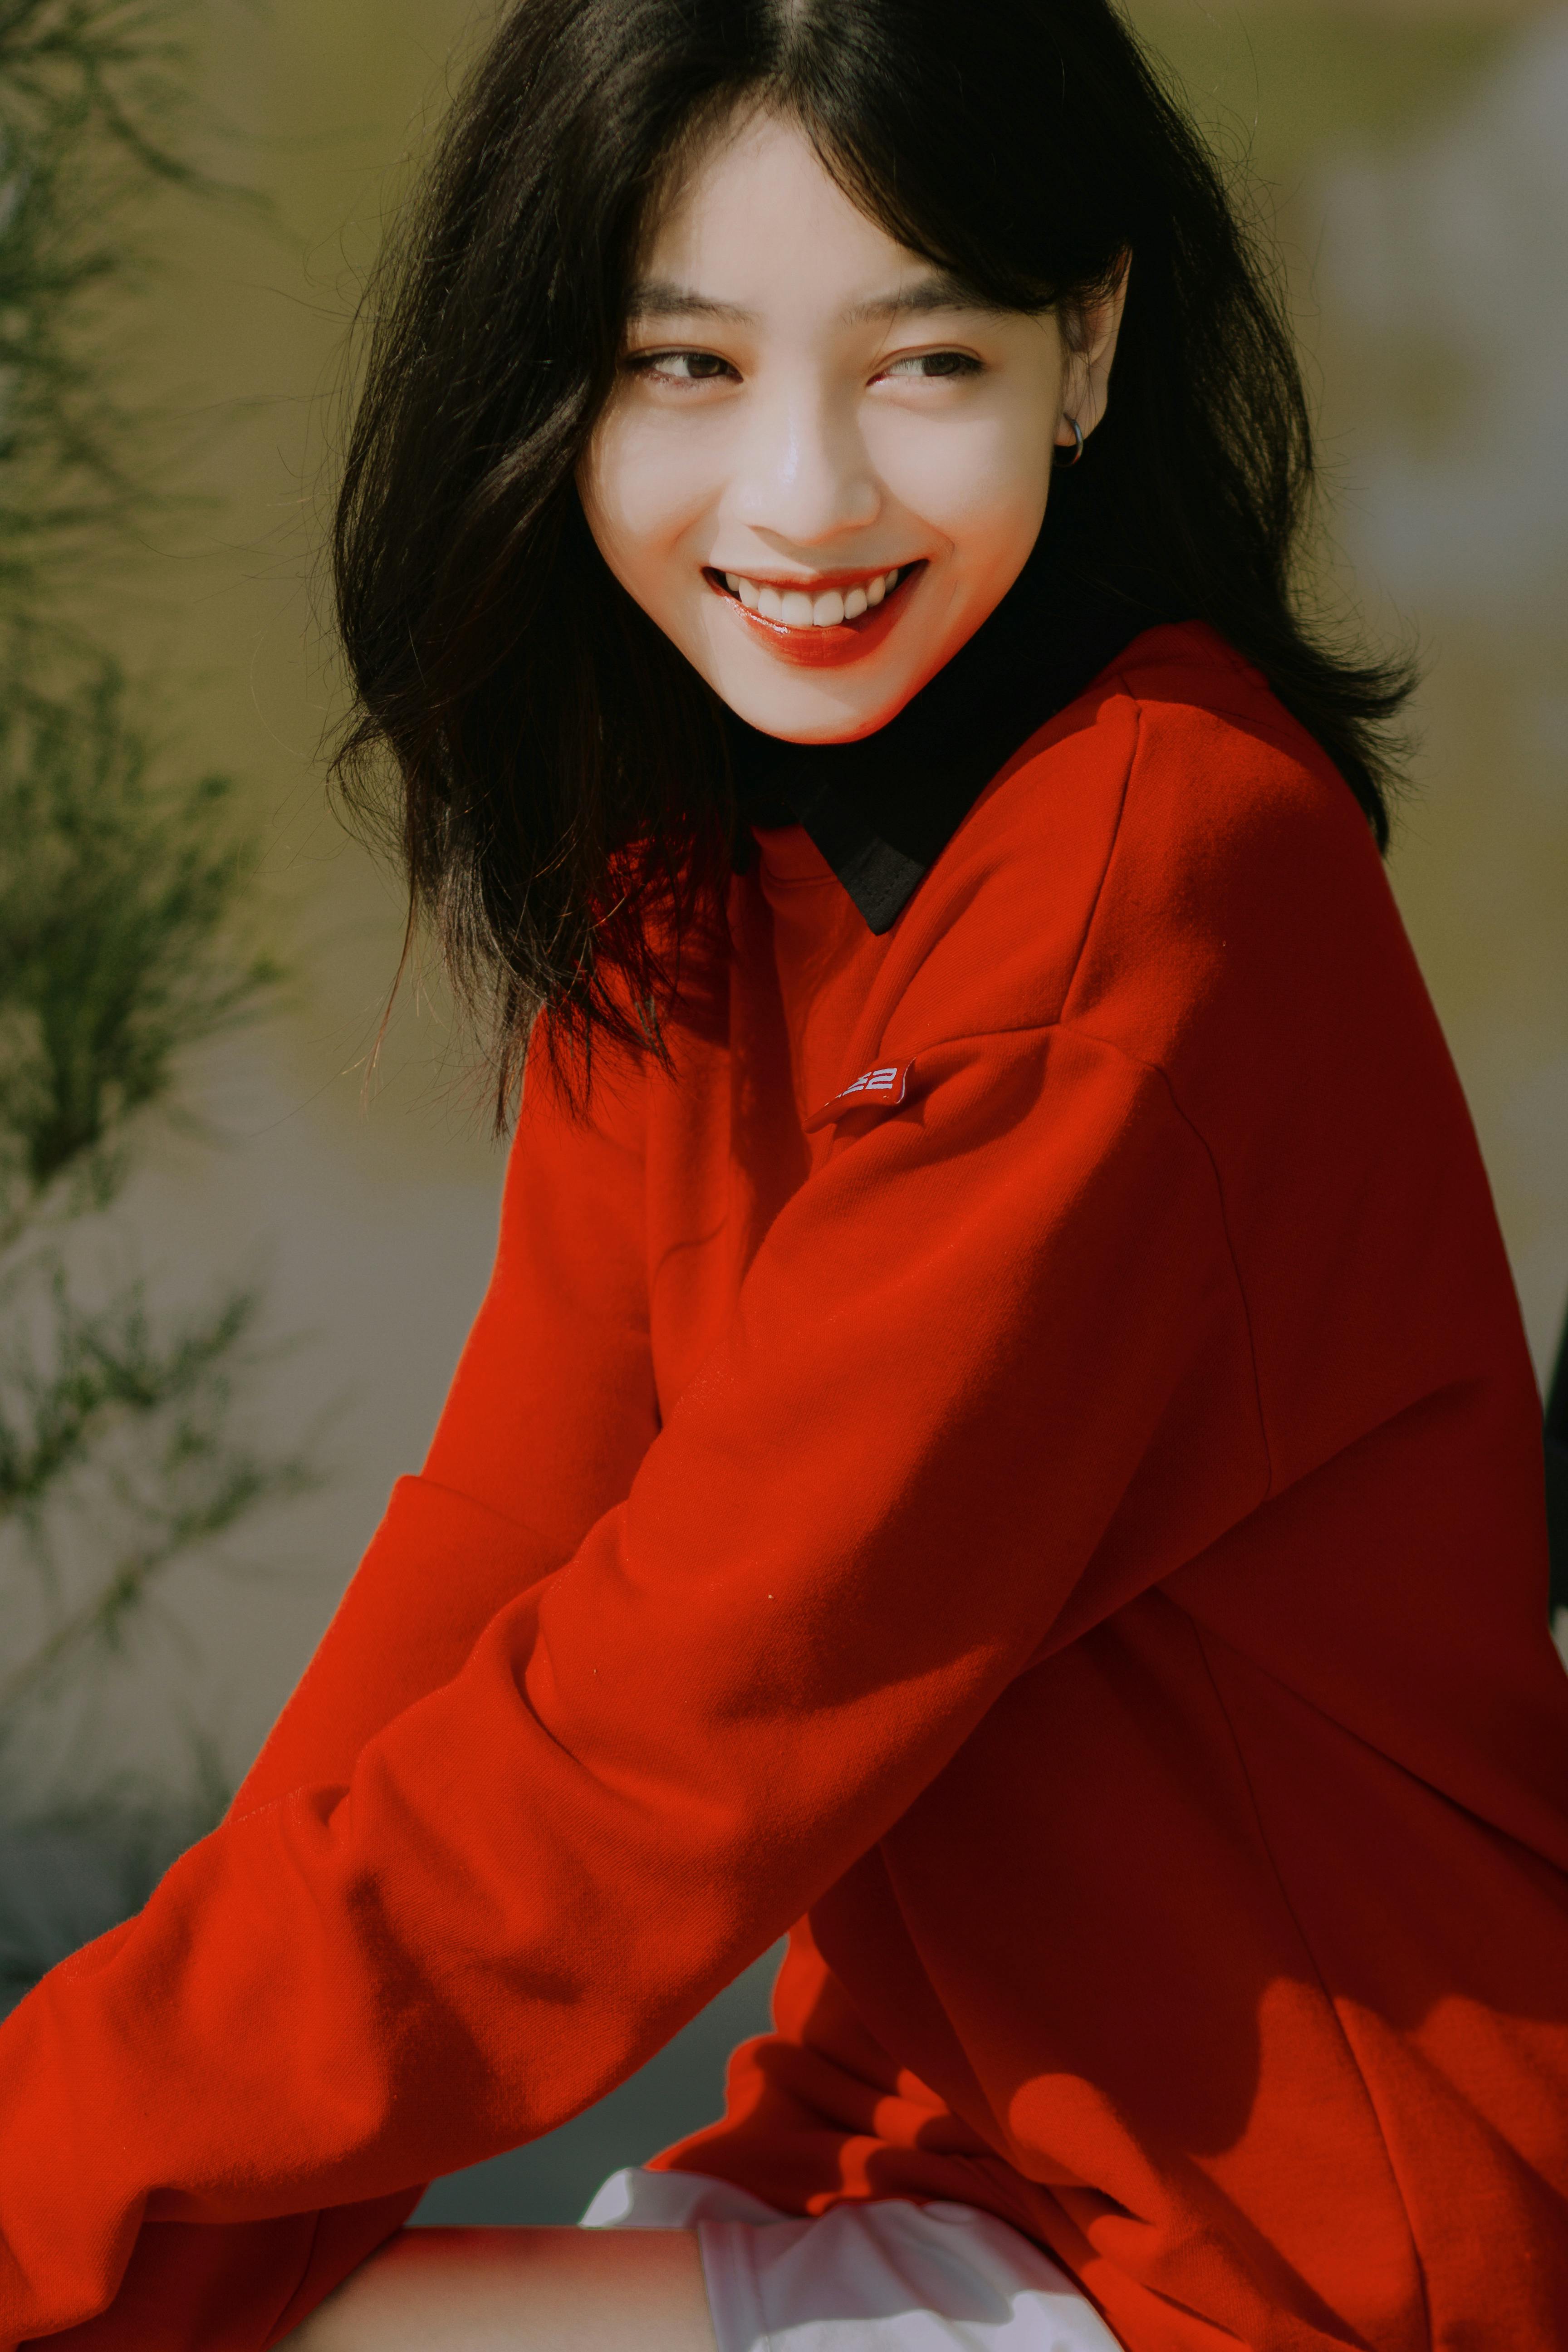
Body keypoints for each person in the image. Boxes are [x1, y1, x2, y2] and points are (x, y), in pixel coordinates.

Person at [3, 1, 1566, 2347]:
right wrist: (109, 2229)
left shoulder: (1148, 904)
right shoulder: (691, 874)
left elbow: (647, 1766)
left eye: (922, 361)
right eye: (689, 368)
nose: (805, 502)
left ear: (1091, 339)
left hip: (1307, 2259)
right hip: (942, 2139)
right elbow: (493, 1586)